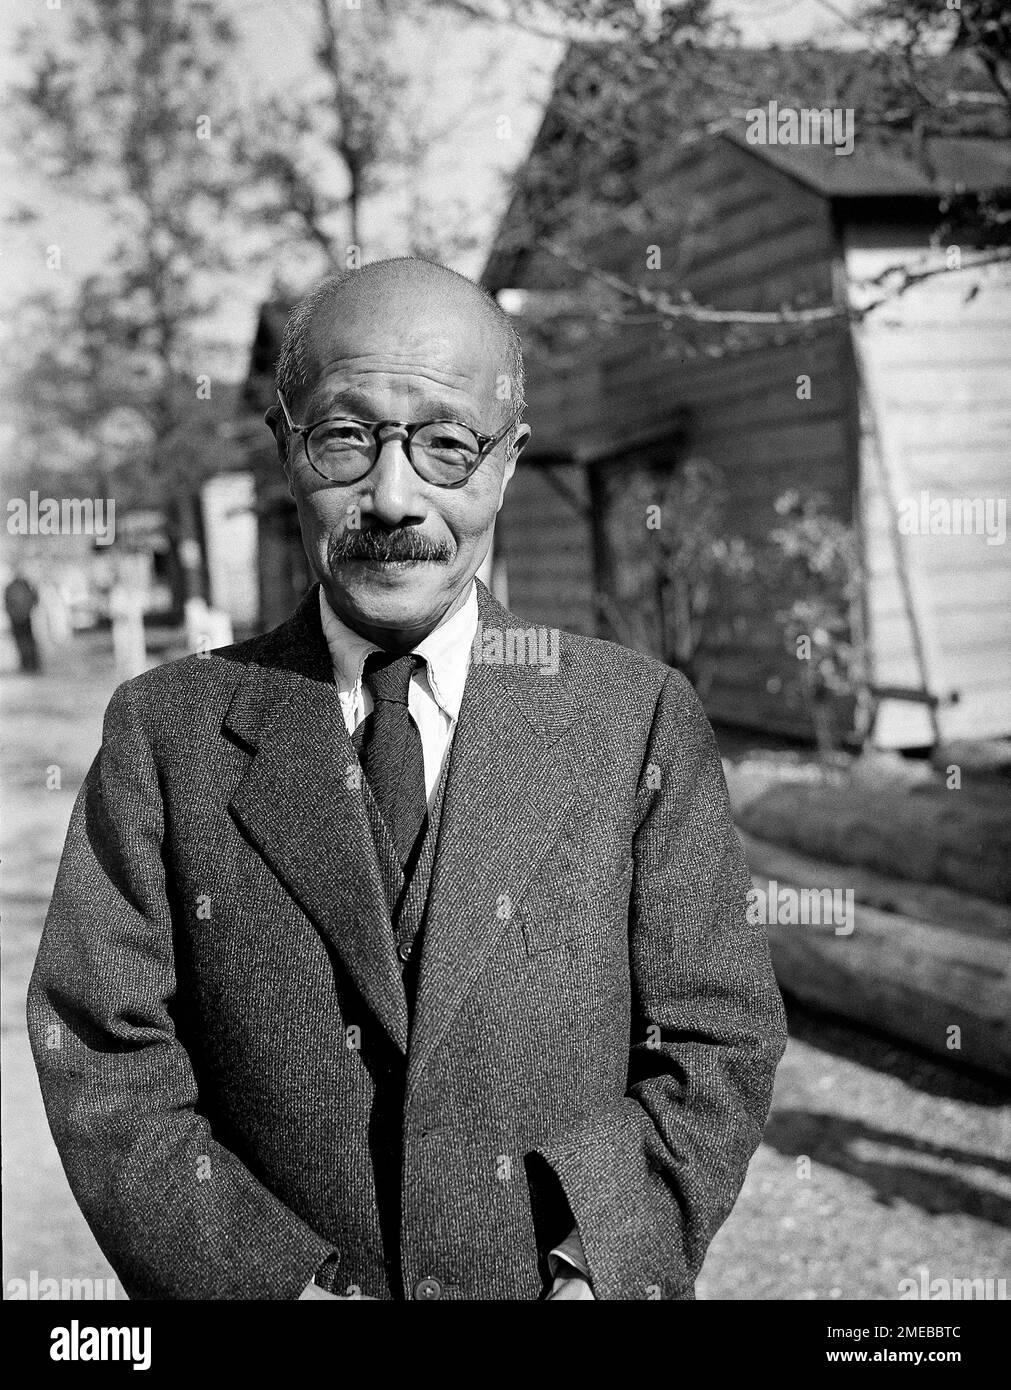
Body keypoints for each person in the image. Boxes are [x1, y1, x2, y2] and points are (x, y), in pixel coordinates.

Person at [28, 257, 787, 1301]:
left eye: (445, 444)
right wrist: (265, 1286)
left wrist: (600, 1266)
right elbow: (102, 1050)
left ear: (506, 463)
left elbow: (720, 1036)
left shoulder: (636, 718)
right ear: (285, 450)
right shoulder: (166, 732)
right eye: (346, 437)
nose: (393, 496)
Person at [4, 572, 41, 673]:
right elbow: (35, 598)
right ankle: (29, 664)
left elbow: (35, 599)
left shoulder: (16, 587)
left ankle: (30, 664)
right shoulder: (23, 586)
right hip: (21, 617)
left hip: (20, 617)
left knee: (24, 642)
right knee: (25, 642)